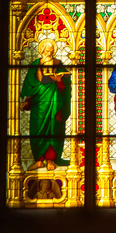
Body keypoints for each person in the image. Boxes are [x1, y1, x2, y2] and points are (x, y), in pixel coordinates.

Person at [19, 39, 72, 170]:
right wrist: (27, 100)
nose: (49, 53)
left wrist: (59, 80)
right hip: (39, 104)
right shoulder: (35, 64)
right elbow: (31, 85)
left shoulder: (58, 64)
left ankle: (50, 160)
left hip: (55, 101)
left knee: (54, 129)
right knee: (37, 130)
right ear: (42, 51)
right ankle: (39, 160)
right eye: (47, 51)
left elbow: (66, 81)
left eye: (51, 51)